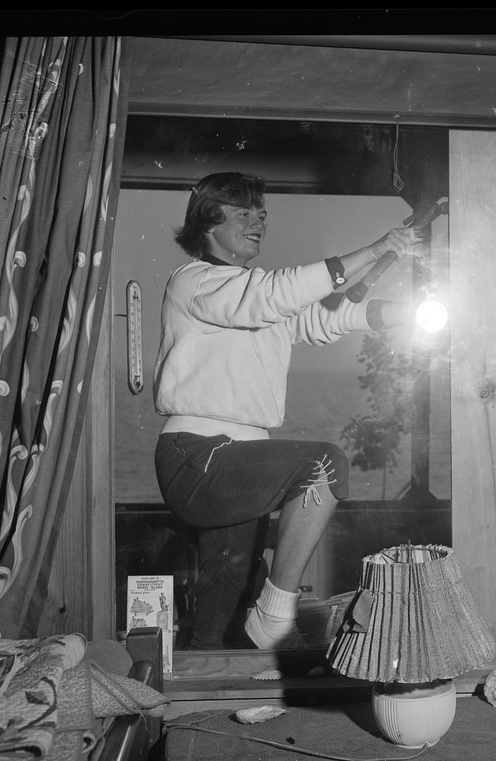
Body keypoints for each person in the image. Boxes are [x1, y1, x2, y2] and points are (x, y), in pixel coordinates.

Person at [152, 172, 421, 650]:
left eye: (262, 213)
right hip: (199, 456)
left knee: (226, 597)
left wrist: (408, 313)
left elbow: (324, 318)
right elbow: (271, 297)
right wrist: (376, 249)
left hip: (242, 457)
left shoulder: (257, 298)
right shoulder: (194, 282)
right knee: (323, 464)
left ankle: (206, 678)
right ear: (208, 224)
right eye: (243, 212)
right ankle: (278, 615)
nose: (258, 221)